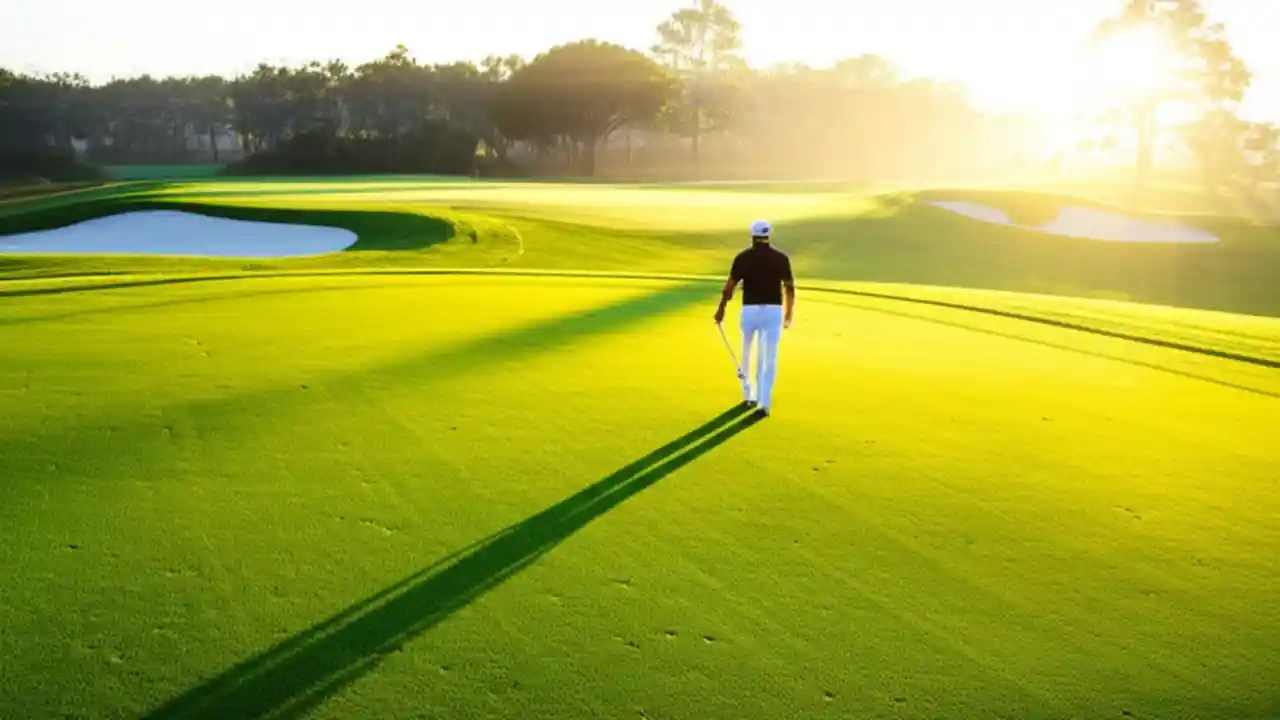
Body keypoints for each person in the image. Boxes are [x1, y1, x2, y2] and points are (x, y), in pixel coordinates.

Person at [713, 219, 795, 417]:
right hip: (773, 311)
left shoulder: (743, 257)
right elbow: (789, 287)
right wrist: (788, 314)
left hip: (749, 310)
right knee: (769, 358)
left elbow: (729, 287)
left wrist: (721, 309)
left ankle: (749, 395)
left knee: (746, 354)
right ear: (769, 235)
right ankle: (764, 403)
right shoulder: (781, 258)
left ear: (752, 235)